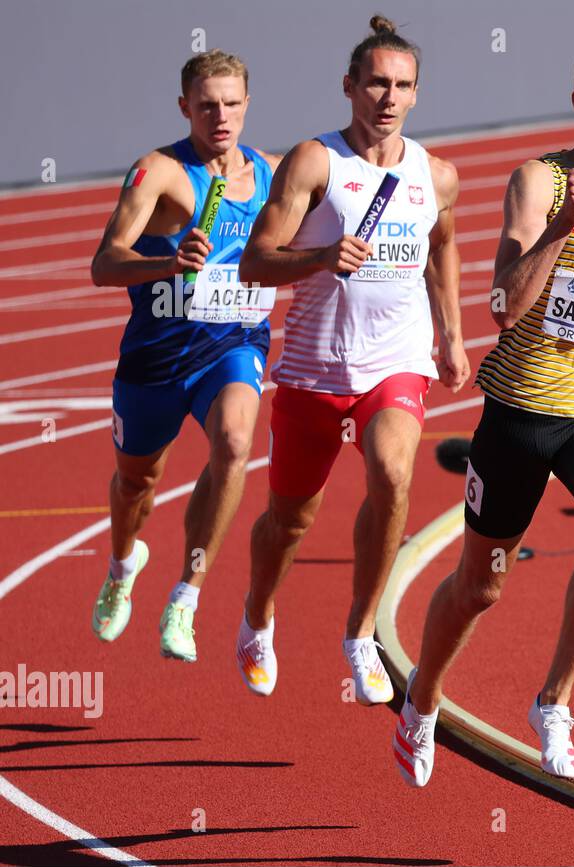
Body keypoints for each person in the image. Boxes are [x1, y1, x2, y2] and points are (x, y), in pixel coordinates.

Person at [393, 39, 574, 786]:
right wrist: (566, 226)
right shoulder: (540, 183)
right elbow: (503, 304)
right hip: (522, 411)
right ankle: (423, 699)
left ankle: (554, 701)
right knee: (480, 586)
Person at [236, 15, 469, 702]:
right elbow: (255, 263)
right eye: (375, 83)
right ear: (350, 87)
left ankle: (361, 632)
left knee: (395, 474)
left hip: (397, 360)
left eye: (402, 86)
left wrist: (452, 334)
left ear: (417, 94)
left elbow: (444, 245)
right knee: (290, 520)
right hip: (314, 367)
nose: (388, 98)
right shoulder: (315, 162)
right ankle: (257, 615)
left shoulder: (438, 175)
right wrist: (319, 256)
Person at [90, 50, 280, 663]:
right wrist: (167, 263)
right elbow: (104, 262)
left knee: (234, 441)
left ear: (248, 103)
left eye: (230, 103)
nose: (219, 115)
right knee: (135, 483)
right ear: (184, 108)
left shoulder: (273, 174)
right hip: (156, 355)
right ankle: (124, 565)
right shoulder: (161, 173)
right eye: (206, 105)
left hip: (232, 344)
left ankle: (185, 596)